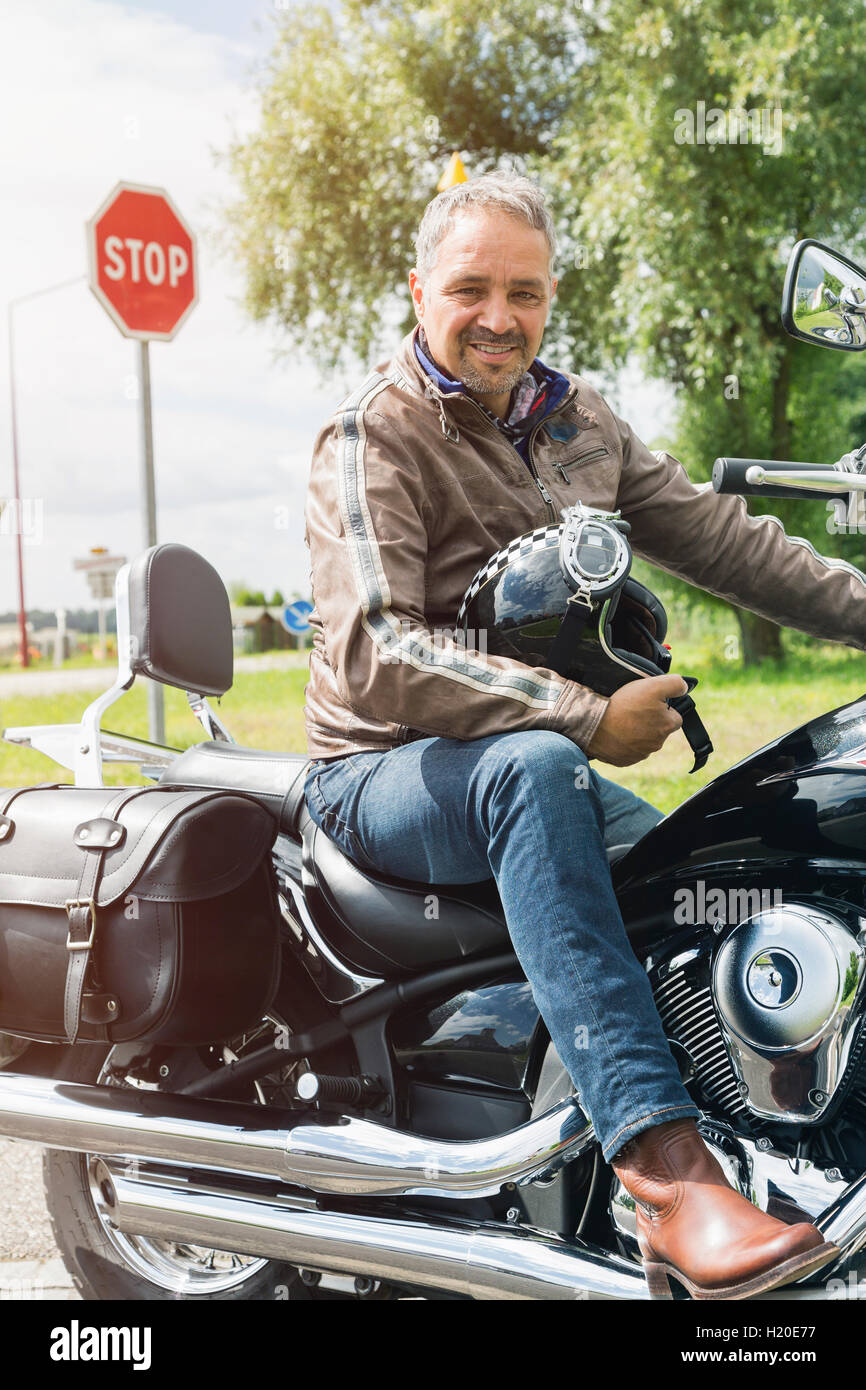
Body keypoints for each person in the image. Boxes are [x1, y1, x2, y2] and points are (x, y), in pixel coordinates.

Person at [301, 172, 860, 1298]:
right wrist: (583, 715)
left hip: (520, 769)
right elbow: (377, 652)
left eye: (524, 291)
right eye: (469, 288)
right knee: (535, 769)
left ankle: (777, 1141)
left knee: (715, 868)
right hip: (378, 770)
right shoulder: (373, 434)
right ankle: (664, 1177)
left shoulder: (575, 421)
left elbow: (723, 541)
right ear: (419, 291)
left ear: (550, 299)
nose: (497, 316)